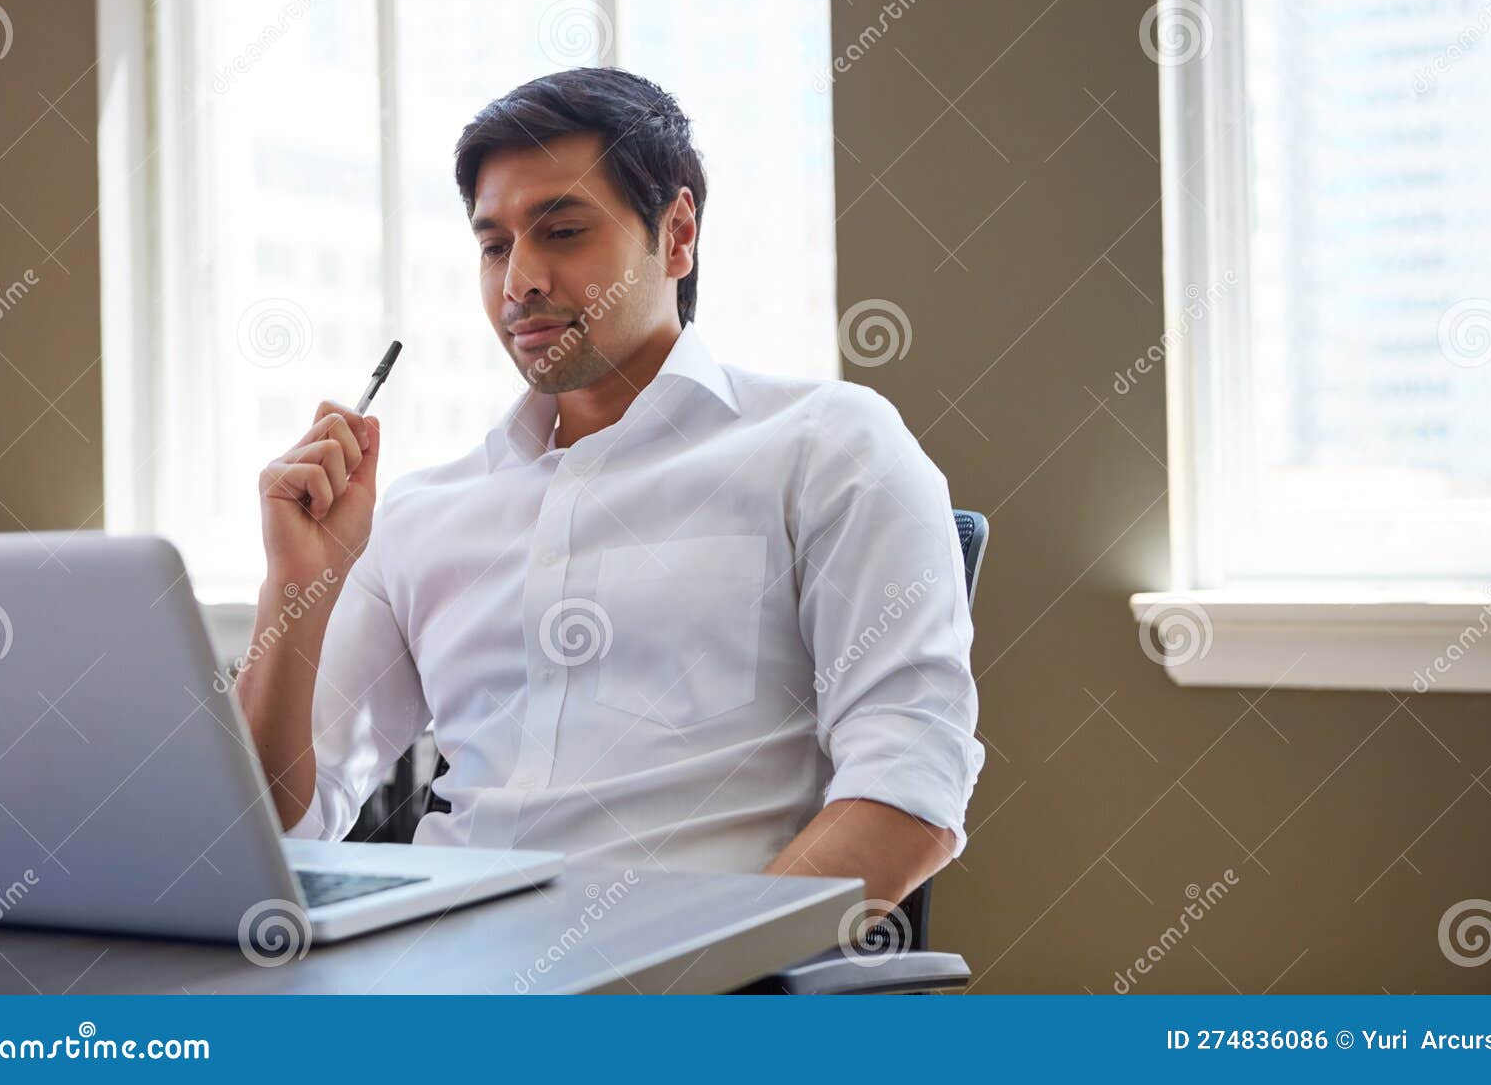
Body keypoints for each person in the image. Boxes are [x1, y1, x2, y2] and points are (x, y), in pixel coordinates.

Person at [237, 68, 983, 910]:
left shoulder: (827, 445)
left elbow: (910, 788)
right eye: (494, 246)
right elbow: (265, 832)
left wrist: (708, 985)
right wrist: (294, 591)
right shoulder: (415, 516)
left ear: (676, 234)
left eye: (561, 231)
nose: (520, 280)